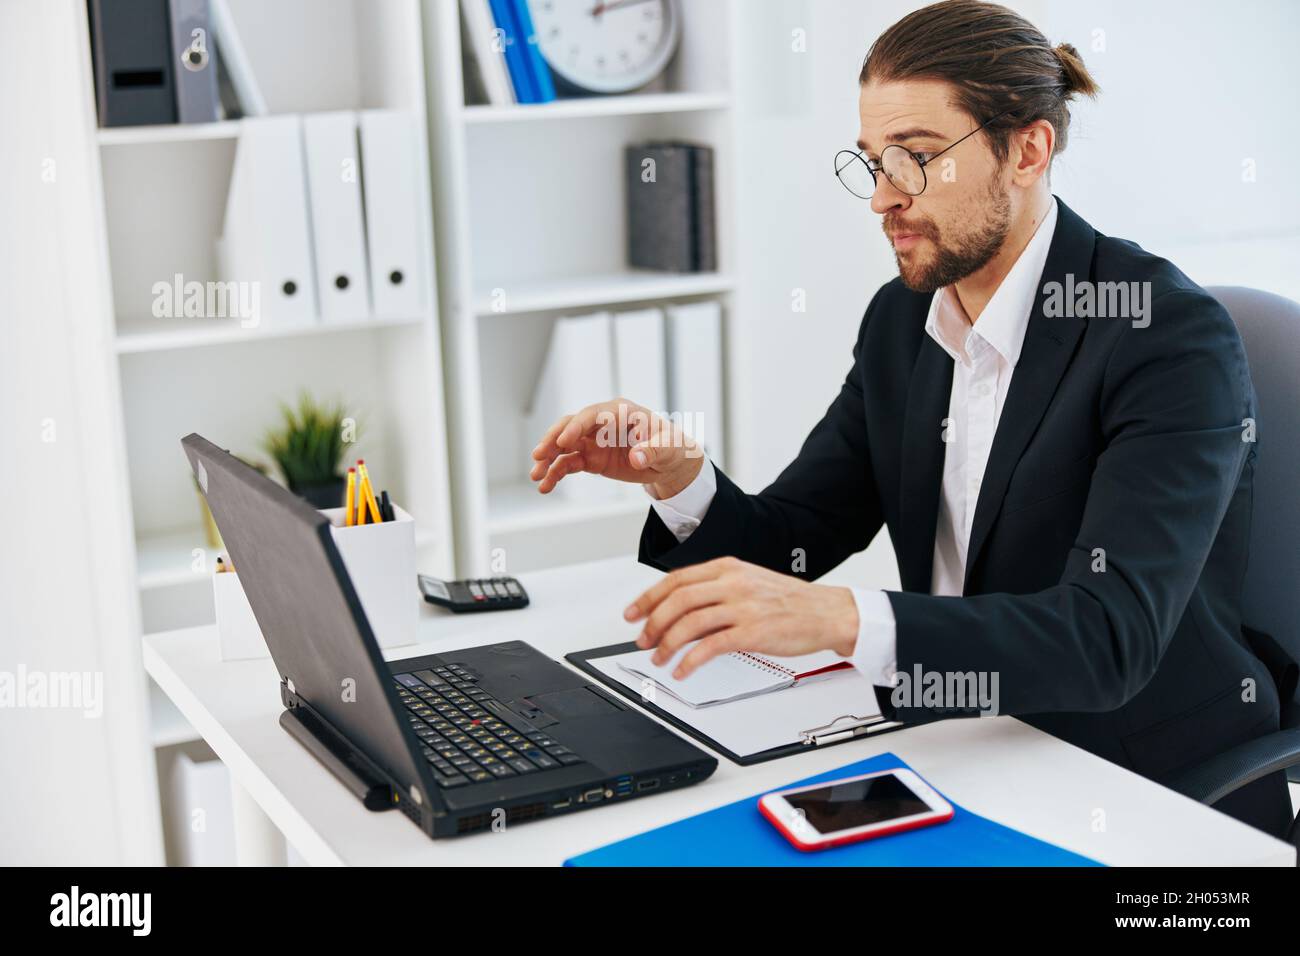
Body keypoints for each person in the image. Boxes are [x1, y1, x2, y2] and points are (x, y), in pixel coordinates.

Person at [529, 0, 1292, 839]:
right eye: (872, 162)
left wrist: (848, 620)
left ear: (1027, 151)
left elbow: (1107, 638)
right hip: (960, 741)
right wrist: (681, 481)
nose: (882, 198)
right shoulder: (904, 321)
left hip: (1140, 778)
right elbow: (796, 537)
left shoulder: (1164, 336)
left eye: (919, 160)